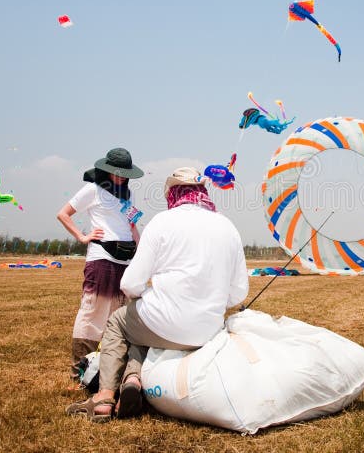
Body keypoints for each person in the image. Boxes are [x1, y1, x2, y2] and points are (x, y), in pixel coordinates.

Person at [66, 167, 249, 422]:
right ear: (202, 192)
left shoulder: (162, 221)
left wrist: (146, 295)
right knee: (143, 327)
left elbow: (130, 283)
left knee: (121, 323)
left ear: (172, 193)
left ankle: (104, 397)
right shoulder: (228, 226)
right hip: (206, 331)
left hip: (162, 324)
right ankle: (132, 379)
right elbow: (239, 292)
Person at [57, 148, 144, 384]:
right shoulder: (92, 189)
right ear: (107, 170)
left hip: (125, 260)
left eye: (126, 173)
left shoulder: (128, 195)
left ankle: (109, 371)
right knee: (93, 312)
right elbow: (64, 214)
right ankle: (79, 371)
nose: (122, 177)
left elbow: (132, 226)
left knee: (119, 314)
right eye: (118, 173)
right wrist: (82, 236)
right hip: (101, 258)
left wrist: (142, 251)